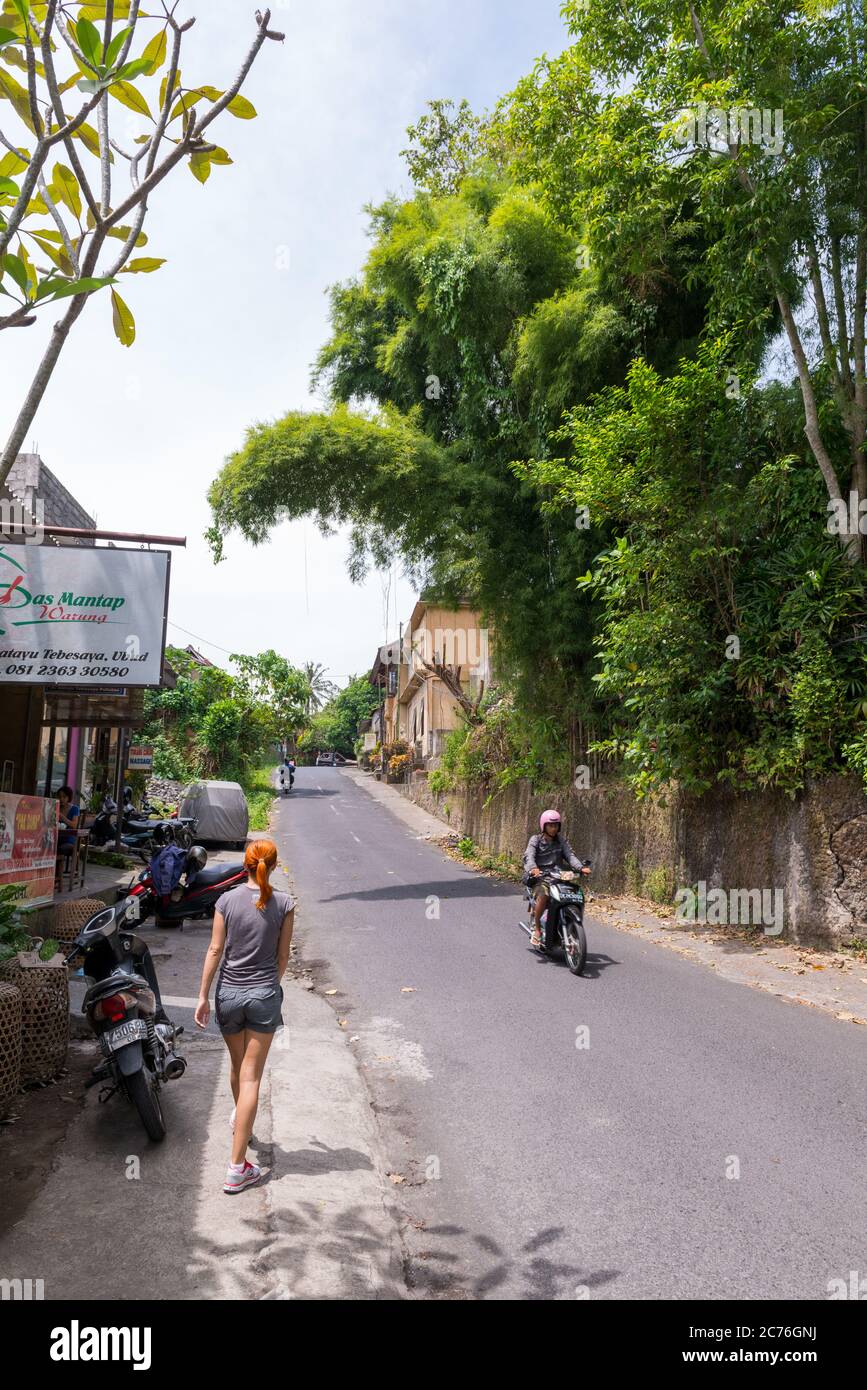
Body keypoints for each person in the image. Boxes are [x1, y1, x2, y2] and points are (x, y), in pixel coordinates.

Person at [194, 839, 294, 1194]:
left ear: (246, 864)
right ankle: (237, 1169)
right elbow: (283, 959)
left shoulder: (226, 900)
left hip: (229, 995)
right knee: (251, 1078)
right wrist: (269, 987)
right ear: (274, 865)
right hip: (263, 995)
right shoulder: (284, 903)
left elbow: (215, 949)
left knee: (238, 1068)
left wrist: (203, 996)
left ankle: (242, 1123)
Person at [523, 809, 590, 948]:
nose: (553, 828)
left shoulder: (561, 840)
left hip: (559, 876)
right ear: (544, 826)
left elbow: (570, 855)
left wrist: (580, 867)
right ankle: (537, 929)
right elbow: (529, 856)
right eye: (550, 825)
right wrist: (533, 868)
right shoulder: (535, 840)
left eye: (555, 826)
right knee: (543, 895)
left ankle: (569, 924)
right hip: (541, 877)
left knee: (575, 893)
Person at [57, 786, 80, 851]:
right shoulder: (56, 807)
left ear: (69, 797)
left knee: (58, 849)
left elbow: (74, 825)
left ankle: (59, 860)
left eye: (64, 797)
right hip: (56, 837)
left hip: (68, 839)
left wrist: (61, 816)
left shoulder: (75, 809)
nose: (61, 799)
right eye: (59, 796)